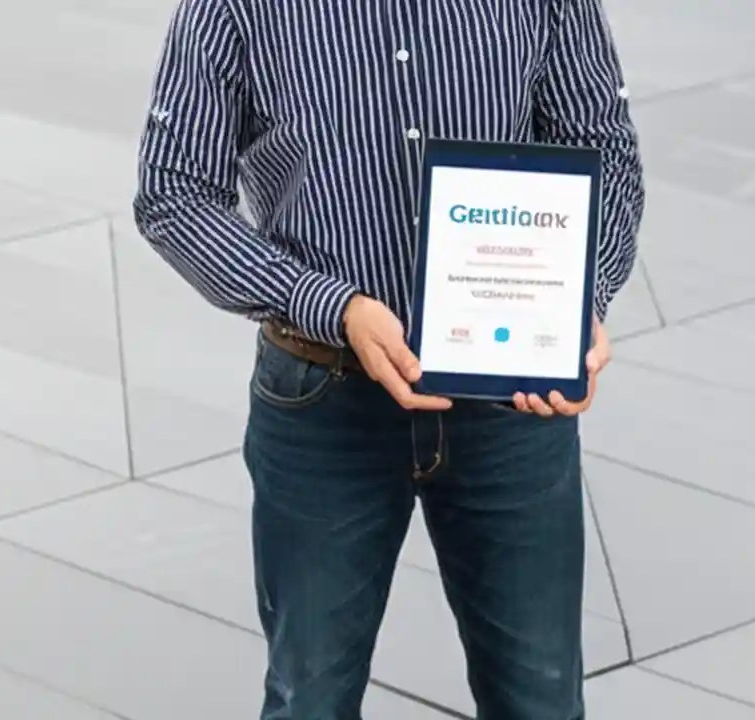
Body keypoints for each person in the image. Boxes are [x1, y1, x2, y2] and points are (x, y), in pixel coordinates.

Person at [134, 1, 644, 717]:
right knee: (308, 698)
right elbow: (172, 192)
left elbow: (603, 146)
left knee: (541, 701)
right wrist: (330, 305)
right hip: (322, 397)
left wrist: (579, 298)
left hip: (509, 405)